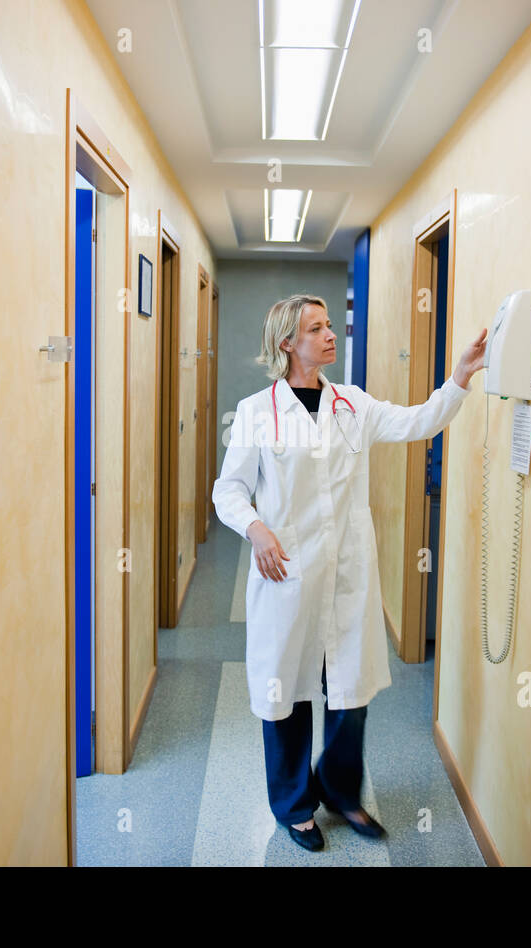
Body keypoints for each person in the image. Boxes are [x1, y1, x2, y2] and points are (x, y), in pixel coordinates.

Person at [212, 292, 488, 851]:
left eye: (330, 325)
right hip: (286, 573)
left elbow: (420, 422)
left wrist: (460, 375)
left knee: (349, 689)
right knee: (284, 690)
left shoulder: (352, 404)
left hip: (346, 572)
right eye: (316, 329)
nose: (330, 335)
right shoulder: (254, 412)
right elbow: (229, 489)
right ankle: (293, 807)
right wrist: (257, 529)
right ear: (287, 343)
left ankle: (341, 792)